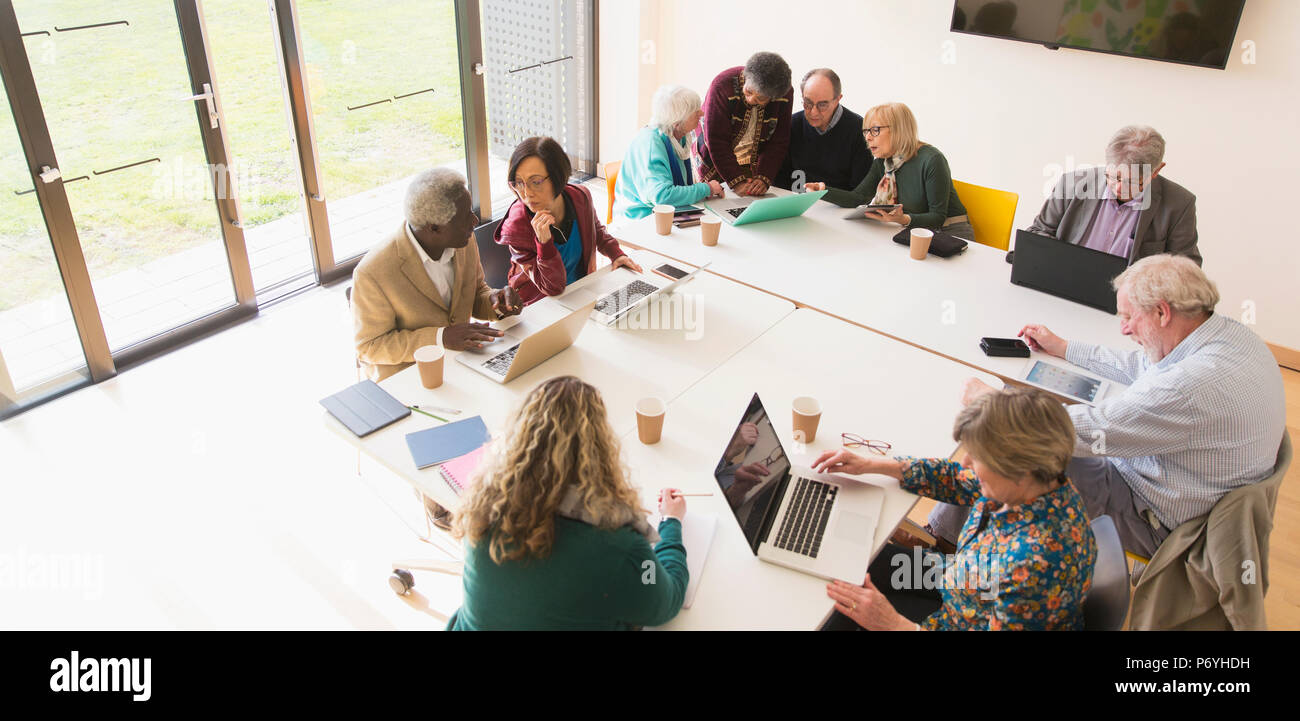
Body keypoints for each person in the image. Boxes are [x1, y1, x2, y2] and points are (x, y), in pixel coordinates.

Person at [946, 255, 1285, 558]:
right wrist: (1065, 347)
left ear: (1162, 312)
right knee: (1032, 417)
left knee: (1015, 448)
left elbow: (1085, 430)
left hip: (1155, 518)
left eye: (1128, 318)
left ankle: (943, 543)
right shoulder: (1229, 336)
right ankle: (953, 536)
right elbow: (1141, 364)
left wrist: (995, 404)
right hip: (1196, 492)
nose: (1123, 329)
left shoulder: (1187, 389)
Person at [814, 386, 1096, 631]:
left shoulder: (1033, 566)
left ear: (1017, 469)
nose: (966, 464)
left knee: (837, 614)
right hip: (965, 580)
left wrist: (893, 624)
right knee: (853, 557)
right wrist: (873, 465)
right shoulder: (1034, 484)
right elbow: (956, 479)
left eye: (977, 457)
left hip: (957, 620)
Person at [447, 376, 689, 630]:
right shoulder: (620, 544)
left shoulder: (484, 507)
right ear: (600, 449)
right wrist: (670, 524)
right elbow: (665, 602)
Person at [351, 168, 522, 382]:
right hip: (408, 381)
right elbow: (369, 347)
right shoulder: (372, 273)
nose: (474, 220)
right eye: (465, 217)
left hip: (462, 366)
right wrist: (440, 337)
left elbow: (477, 292)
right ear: (434, 228)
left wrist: (497, 303)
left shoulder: (463, 240)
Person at [496, 136, 642, 306]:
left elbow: (595, 230)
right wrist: (544, 243)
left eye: (535, 182)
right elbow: (552, 288)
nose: (526, 193)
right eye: (519, 183)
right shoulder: (517, 226)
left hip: (580, 293)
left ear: (558, 175)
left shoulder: (580, 197)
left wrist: (616, 254)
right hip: (538, 306)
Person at [1026, 125, 1200, 266]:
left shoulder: (1179, 204)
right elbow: (1037, 232)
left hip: (1129, 301)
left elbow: (1187, 269)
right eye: (1113, 177)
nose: (1119, 188)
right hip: (1064, 279)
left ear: (1156, 170)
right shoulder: (1071, 184)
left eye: (1131, 182)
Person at [807, 102, 974, 240]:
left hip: (950, 234)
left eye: (875, 130)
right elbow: (857, 197)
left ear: (898, 130)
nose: (868, 137)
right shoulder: (883, 161)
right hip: (912, 232)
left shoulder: (931, 159)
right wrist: (822, 190)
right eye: (866, 131)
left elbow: (937, 216)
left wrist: (904, 219)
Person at [614, 85, 724, 220]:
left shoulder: (680, 135)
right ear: (677, 122)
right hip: (641, 219)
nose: (701, 114)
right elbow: (662, 197)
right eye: (695, 111)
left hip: (667, 212)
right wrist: (706, 189)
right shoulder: (651, 143)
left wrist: (704, 191)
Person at [695, 51, 793, 197]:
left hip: (752, 161)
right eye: (748, 91)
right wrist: (736, 181)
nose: (751, 99)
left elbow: (779, 140)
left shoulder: (783, 93)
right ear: (745, 75)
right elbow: (716, 141)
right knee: (712, 201)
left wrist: (763, 177)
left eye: (760, 98)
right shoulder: (722, 85)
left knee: (749, 205)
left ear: (773, 98)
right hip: (713, 158)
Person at [774, 68, 872, 192]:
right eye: (807, 103)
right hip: (796, 203)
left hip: (840, 208)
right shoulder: (791, 125)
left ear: (837, 100)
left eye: (822, 105)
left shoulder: (860, 130)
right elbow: (780, 179)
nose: (813, 112)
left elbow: (860, 192)